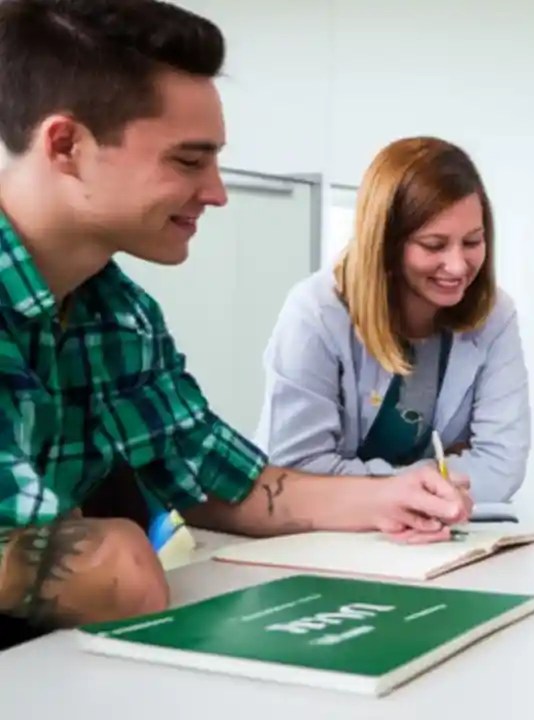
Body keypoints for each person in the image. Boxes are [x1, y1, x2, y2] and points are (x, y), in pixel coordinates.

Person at [0, 0, 468, 646]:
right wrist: (105, 563)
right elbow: (103, 572)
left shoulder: (120, 314)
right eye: (188, 161)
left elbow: (218, 479)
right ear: (66, 146)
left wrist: (385, 497)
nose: (217, 192)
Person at [255, 136, 531, 504]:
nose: (457, 266)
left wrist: (355, 477)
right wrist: (429, 478)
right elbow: (298, 471)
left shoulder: (496, 315)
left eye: (472, 242)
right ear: (385, 243)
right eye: (434, 245)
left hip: (439, 531)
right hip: (323, 531)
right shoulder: (315, 313)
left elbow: (501, 467)